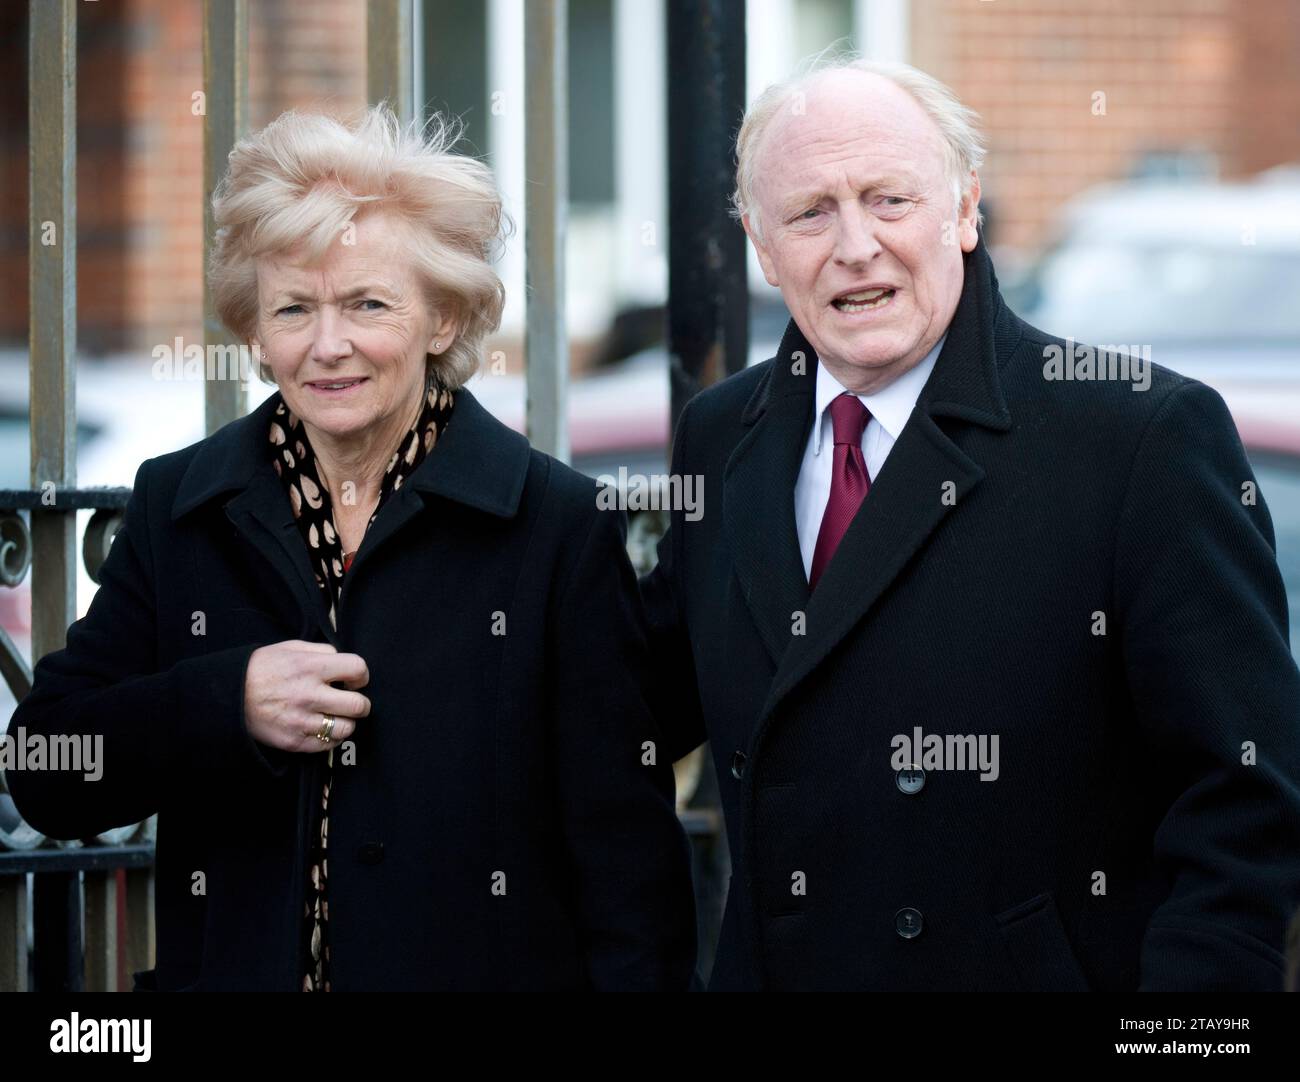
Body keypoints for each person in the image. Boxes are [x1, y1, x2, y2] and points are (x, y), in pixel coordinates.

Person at [641, 57, 1300, 991]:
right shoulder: (720, 437)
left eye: (889, 199)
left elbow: (1244, 801)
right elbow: (621, 695)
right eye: (810, 212)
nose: (855, 245)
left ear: (964, 210)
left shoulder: (1136, 437)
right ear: (758, 241)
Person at [5, 105, 696, 991]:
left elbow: (626, 867)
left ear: (442, 320)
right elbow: (45, 767)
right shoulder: (183, 505)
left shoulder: (555, 527)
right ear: (255, 330)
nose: (328, 345)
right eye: (293, 307)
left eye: (368, 303)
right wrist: (225, 705)